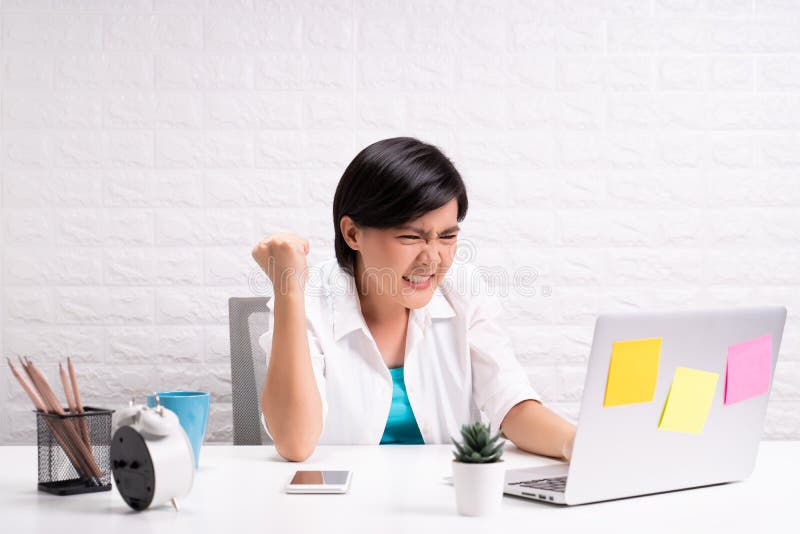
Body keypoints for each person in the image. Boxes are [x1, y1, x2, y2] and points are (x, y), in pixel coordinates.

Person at [251, 136, 576, 462]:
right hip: (340, 502)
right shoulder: (310, 298)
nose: (432, 259)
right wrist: (288, 290)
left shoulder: (463, 290)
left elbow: (512, 405)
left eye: (447, 237)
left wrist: (576, 444)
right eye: (410, 237)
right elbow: (295, 443)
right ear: (352, 234)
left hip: (444, 501)